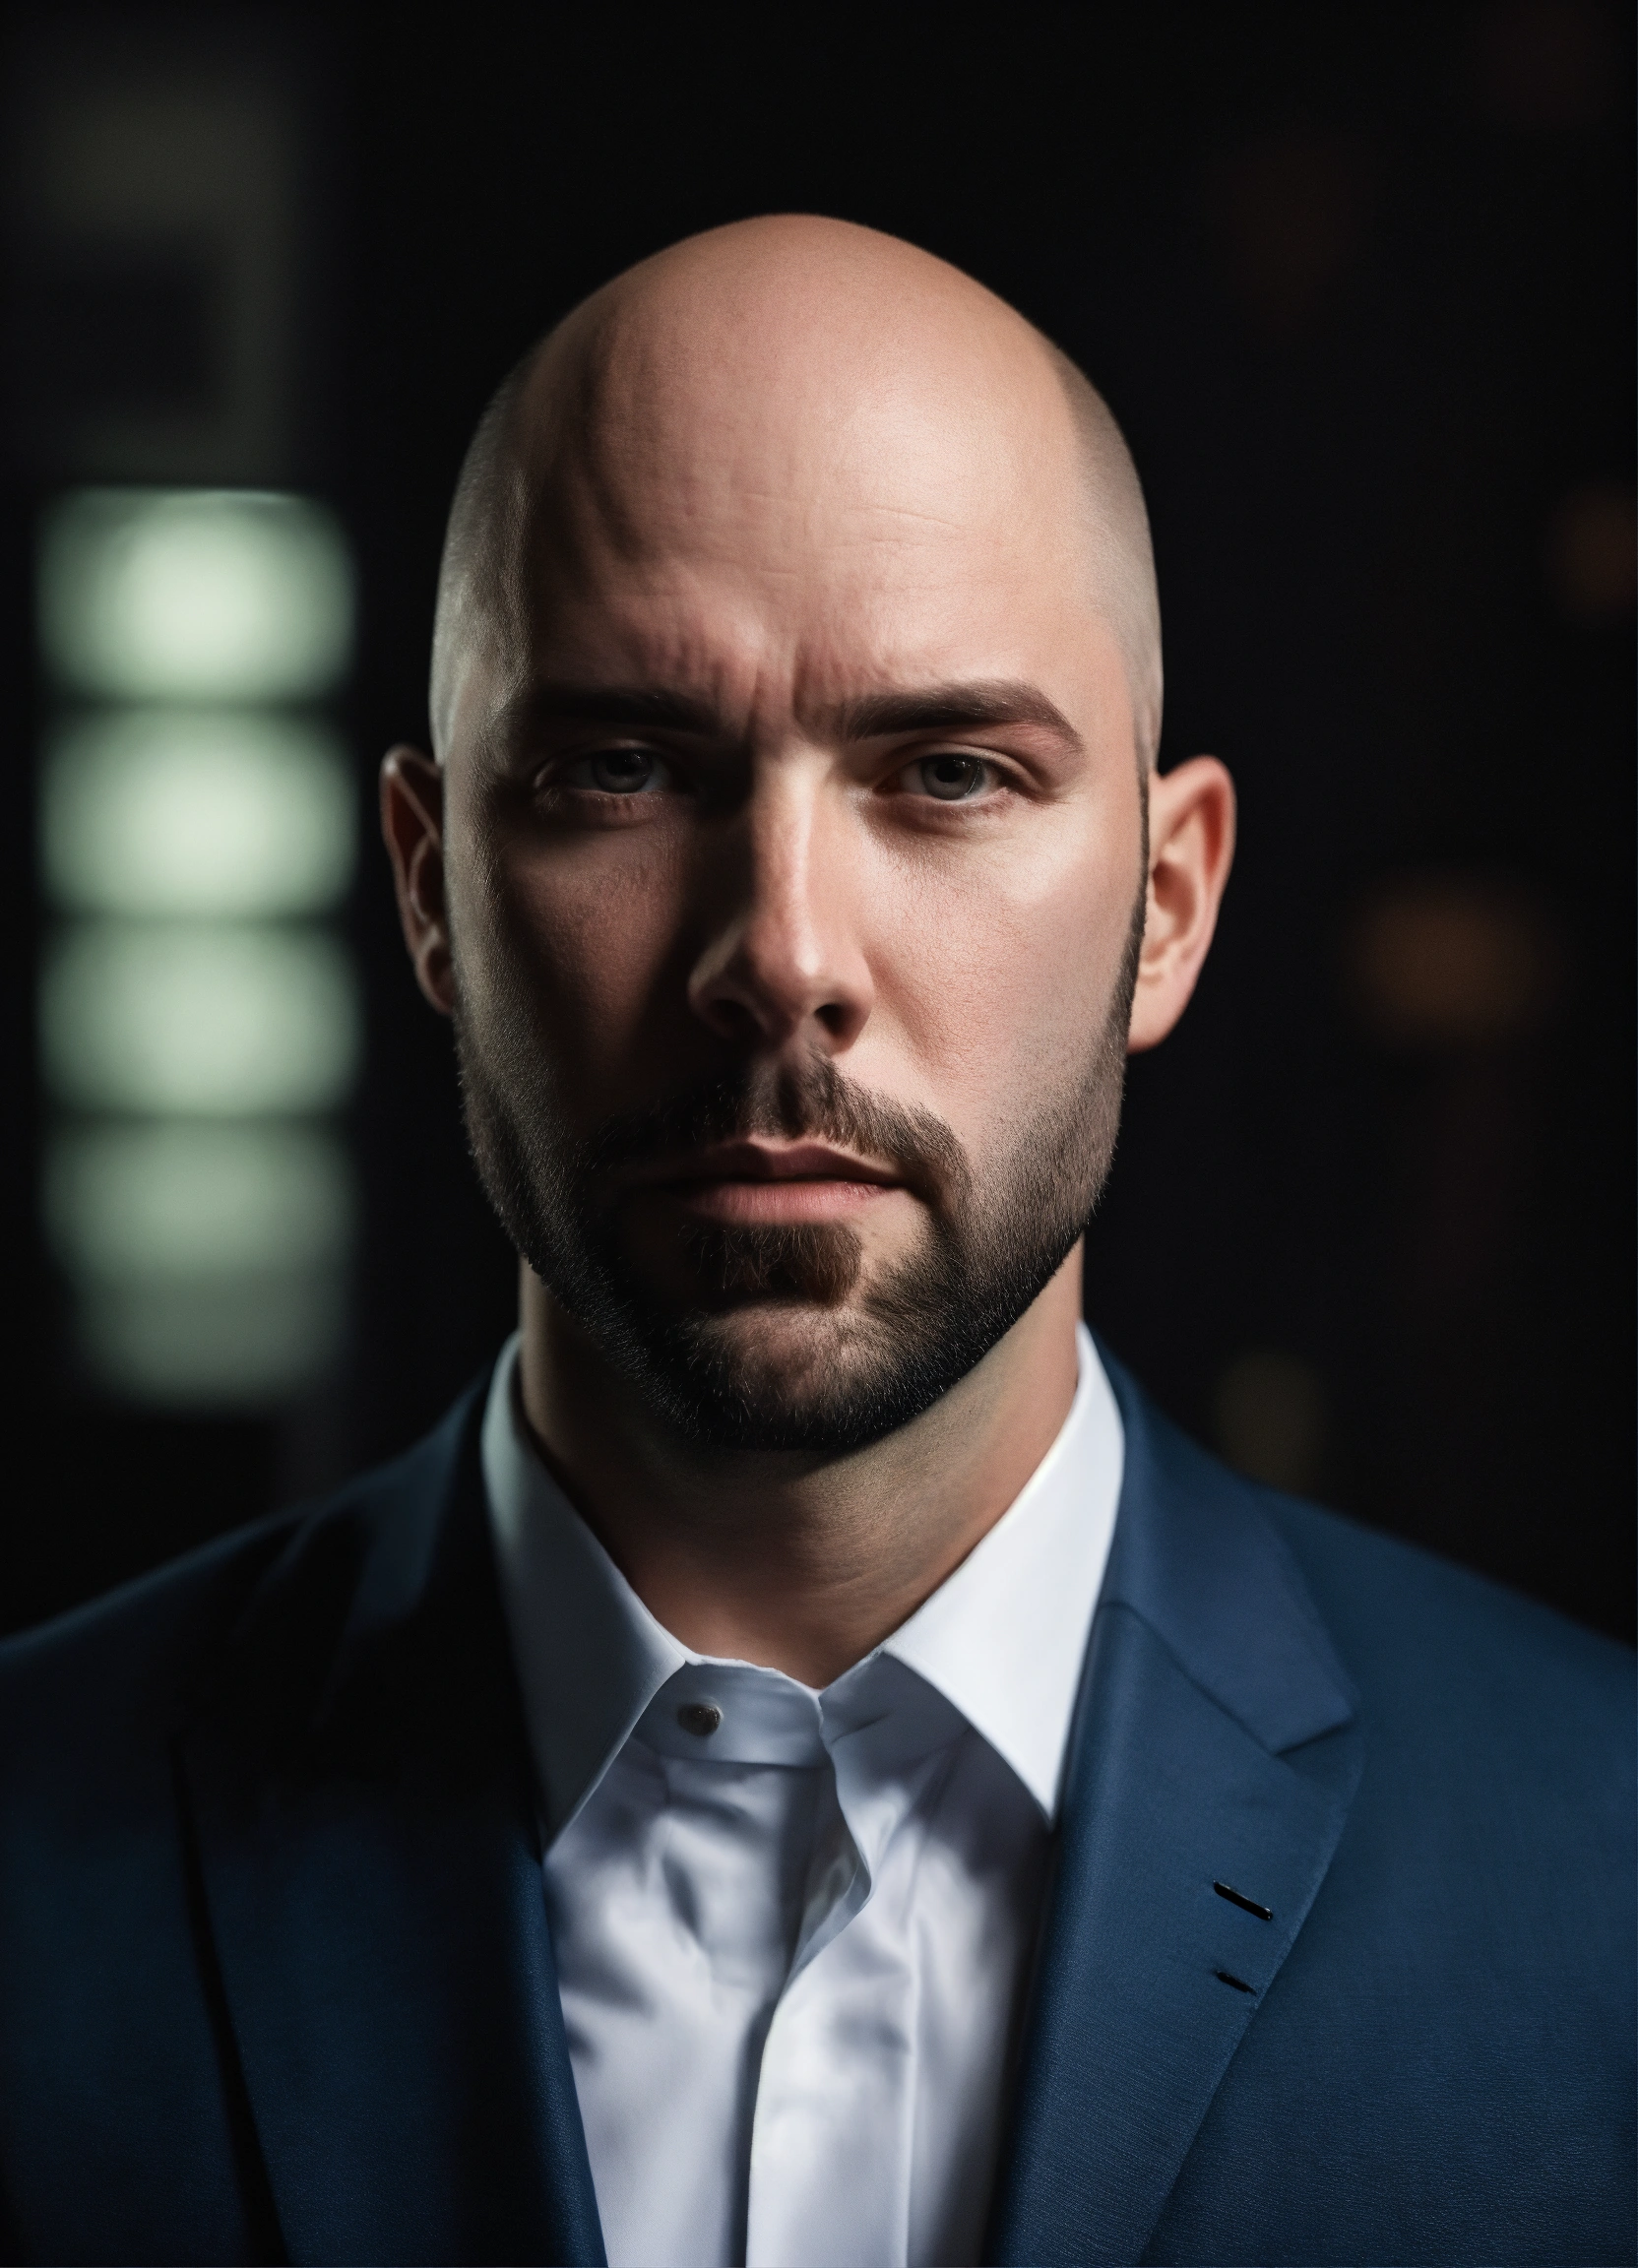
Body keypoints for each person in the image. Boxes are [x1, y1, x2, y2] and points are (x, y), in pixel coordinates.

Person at [0, 217, 1630, 2268]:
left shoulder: (1605, 1897)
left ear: (1168, 900)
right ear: (429, 894)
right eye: (618, 769)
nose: (779, 955)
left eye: (947, 773)